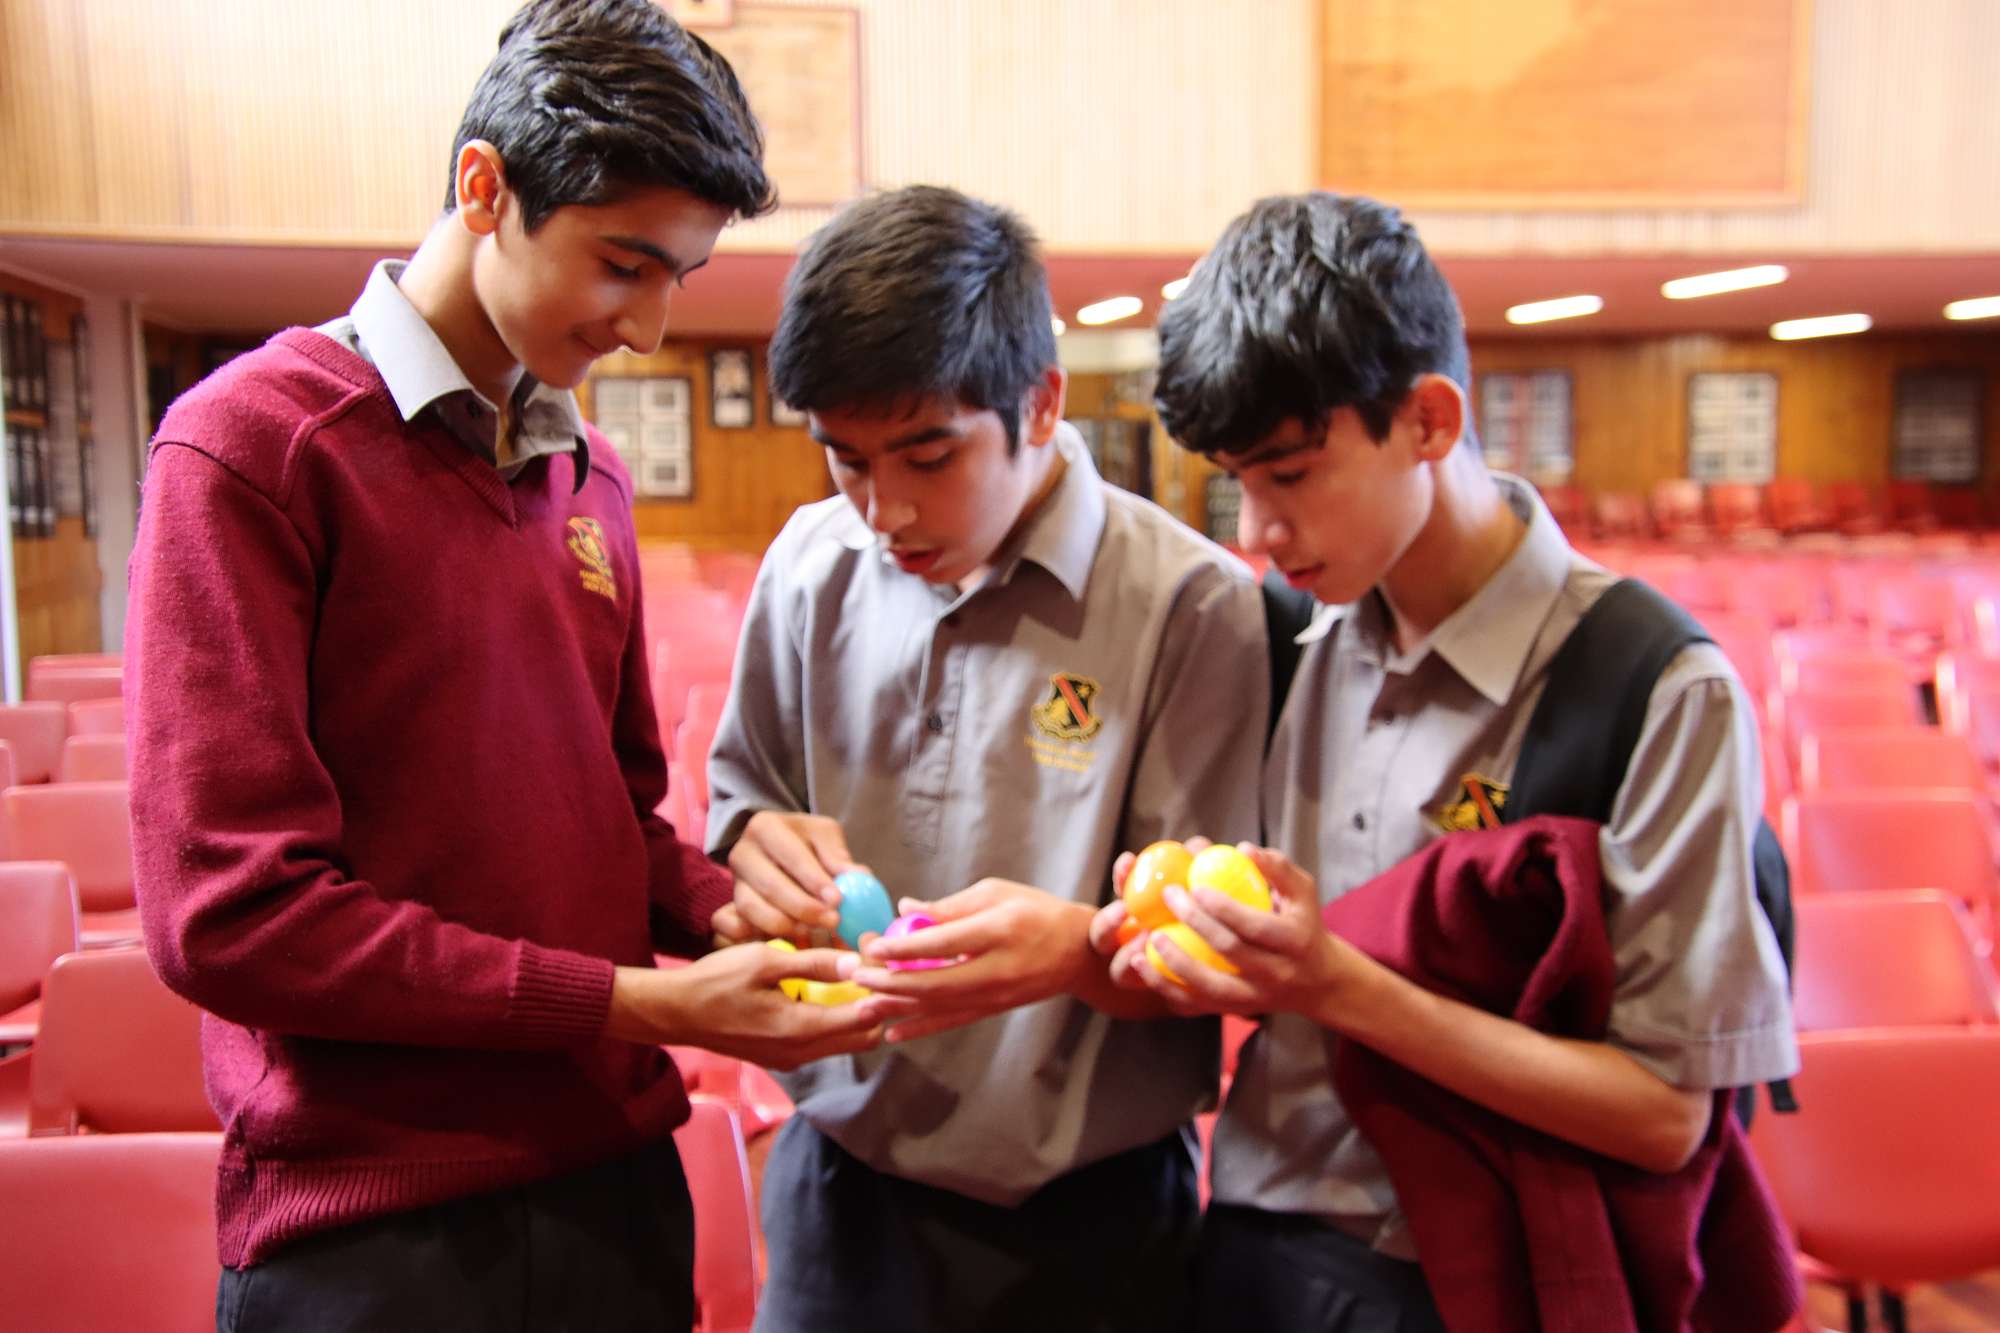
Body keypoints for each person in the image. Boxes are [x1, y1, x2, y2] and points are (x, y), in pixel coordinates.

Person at [126, 3, 904, 1328]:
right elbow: (231, 914)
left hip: (610, 1185)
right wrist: (650, 1001)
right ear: (485, 188)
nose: (650, 326)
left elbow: (611, 825)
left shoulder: (586, 472)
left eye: (679, 275)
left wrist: (741, 911)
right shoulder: (256, 447)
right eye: (622, 264)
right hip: (373, 1222)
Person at [1093, 192, 1798, 1331]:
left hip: (1483, 1277)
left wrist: (1337, 986)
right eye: (1237, 482)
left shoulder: (1650, 685)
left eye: (1290, 475)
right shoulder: (1281, 637)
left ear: (1426, 419)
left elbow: (1666, 1111)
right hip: (1253, 1246)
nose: (1256, 530)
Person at [703, 183, 1268, 1333]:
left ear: (1042, 402)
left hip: (1088, 1222)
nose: (883, 511)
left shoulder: (1189, 604)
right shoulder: (811, 564)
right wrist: (753, 852)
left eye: (926, 453)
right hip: (835, 1185)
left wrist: (1073, 952)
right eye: (845, 459)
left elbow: (1207, 954)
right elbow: (745, 802)